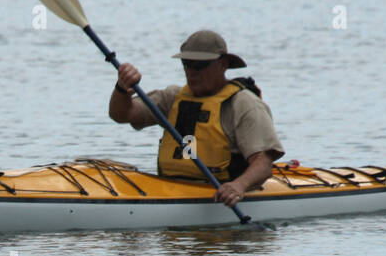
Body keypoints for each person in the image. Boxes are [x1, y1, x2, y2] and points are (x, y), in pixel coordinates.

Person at [108, 30, 284, 207]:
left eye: (200, 65)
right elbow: (122, 114)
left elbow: (263, 163)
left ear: (222, 64)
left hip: (223, 192)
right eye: (187, 64)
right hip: (173, 188)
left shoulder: (243, 104)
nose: (191, 72)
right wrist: (122, 89)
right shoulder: (172, 98)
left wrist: (238, 186)